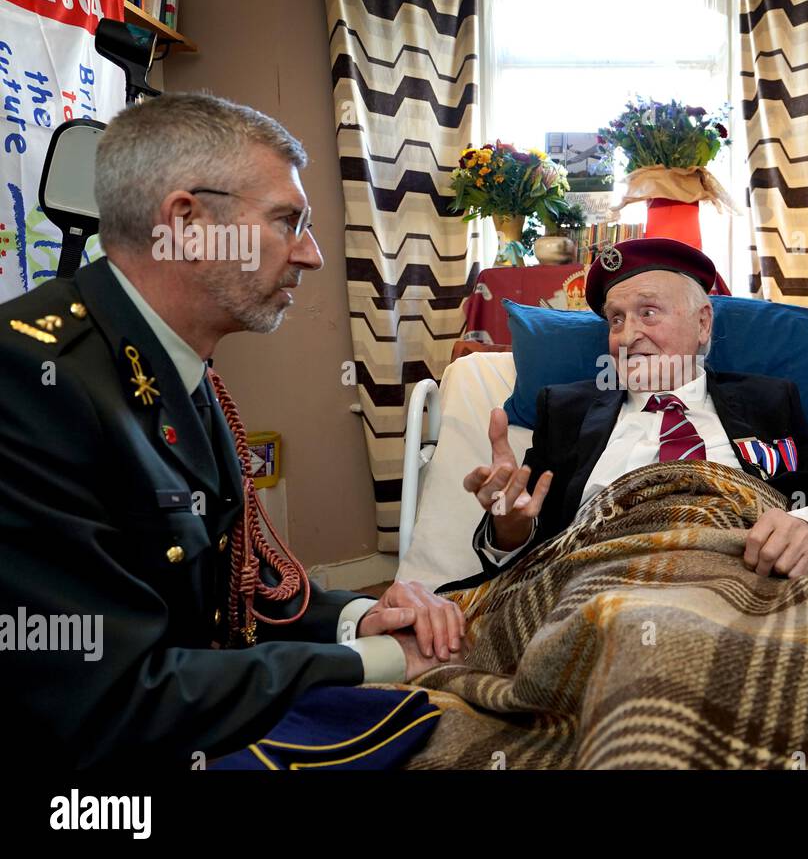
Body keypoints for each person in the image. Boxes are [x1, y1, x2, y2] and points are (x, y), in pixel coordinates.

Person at [0, 93, 463, 769]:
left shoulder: (173, 361)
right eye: (287, 221)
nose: (311, 256)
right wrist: (375, 659)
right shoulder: (29, 381)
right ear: (187, 223)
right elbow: (105, 697)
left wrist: (355, 619)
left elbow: (229, 598)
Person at [455, 238, 808, 588]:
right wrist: (507, 527)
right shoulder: (565, 410)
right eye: (615, 320)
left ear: (703, 324)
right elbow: (524, 537)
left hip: (748, 588)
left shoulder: (768, 403)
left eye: (648, 312)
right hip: (599, 590)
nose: (628, 336)